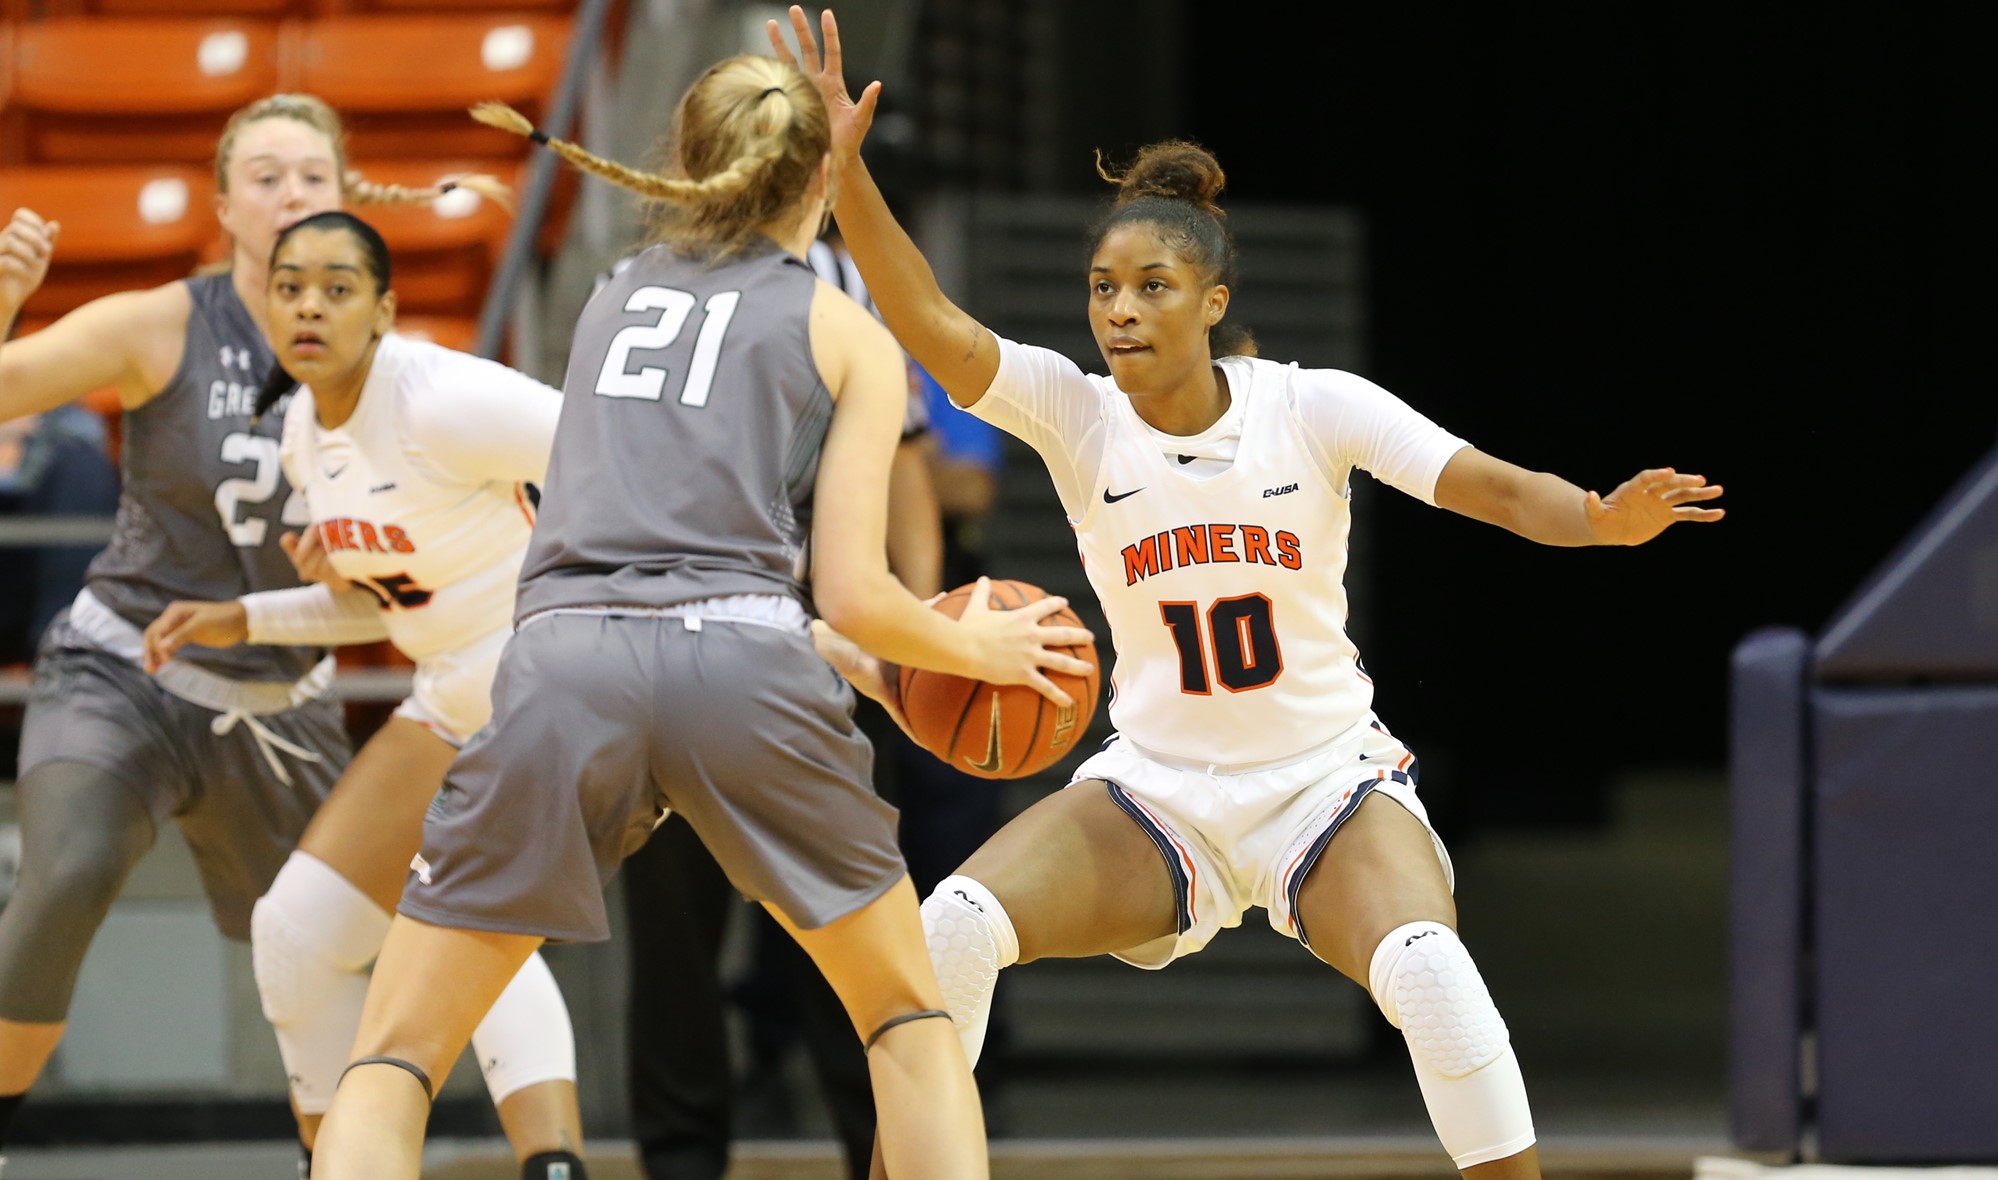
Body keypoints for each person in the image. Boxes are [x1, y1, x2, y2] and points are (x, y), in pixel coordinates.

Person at [773, 8, 1727, 1176]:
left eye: (1151, 286)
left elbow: (1491, 489)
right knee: (951, 931)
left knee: (1429, 967)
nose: (1119, 309)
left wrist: (1595, 516)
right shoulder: (1078, 415)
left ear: (1212, 303)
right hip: (1158, 793)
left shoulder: (1309, 406)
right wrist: (847, 172)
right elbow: (923, 316)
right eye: (1101, 287)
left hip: (1322, 784)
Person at [307, 53, 1092, 1180]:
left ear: (686, 167)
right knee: (908, 1027)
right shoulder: (844, 326)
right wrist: (973, 646)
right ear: (820, 182)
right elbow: (857, 593)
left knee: (391, 1061)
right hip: (742, 660)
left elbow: (627, 545)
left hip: (565, 660)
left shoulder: (608, 292)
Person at [0, 93, 493, 1171]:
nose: (289, 194)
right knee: (66, 874)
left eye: (311, 176)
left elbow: (414, 578)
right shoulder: (162, 323)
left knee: (334, 961)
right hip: (128, 668)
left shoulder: (401, 371)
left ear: (347, 203)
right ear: (224, 204)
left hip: (284, 703)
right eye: (264, 176)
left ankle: (352, 1159)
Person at [140, 211, 588, 1179]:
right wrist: (245, 616)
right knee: (296, 933)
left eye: (338, 287)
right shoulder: (305, 431)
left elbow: (619, 454)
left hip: (537, 682)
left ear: (383, 309)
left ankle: (553, 1162)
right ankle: (341, 1161)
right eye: (290, 285)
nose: (309, 304)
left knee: (460, 923)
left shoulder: (438, 397)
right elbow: (385, 601)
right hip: (449, 690)